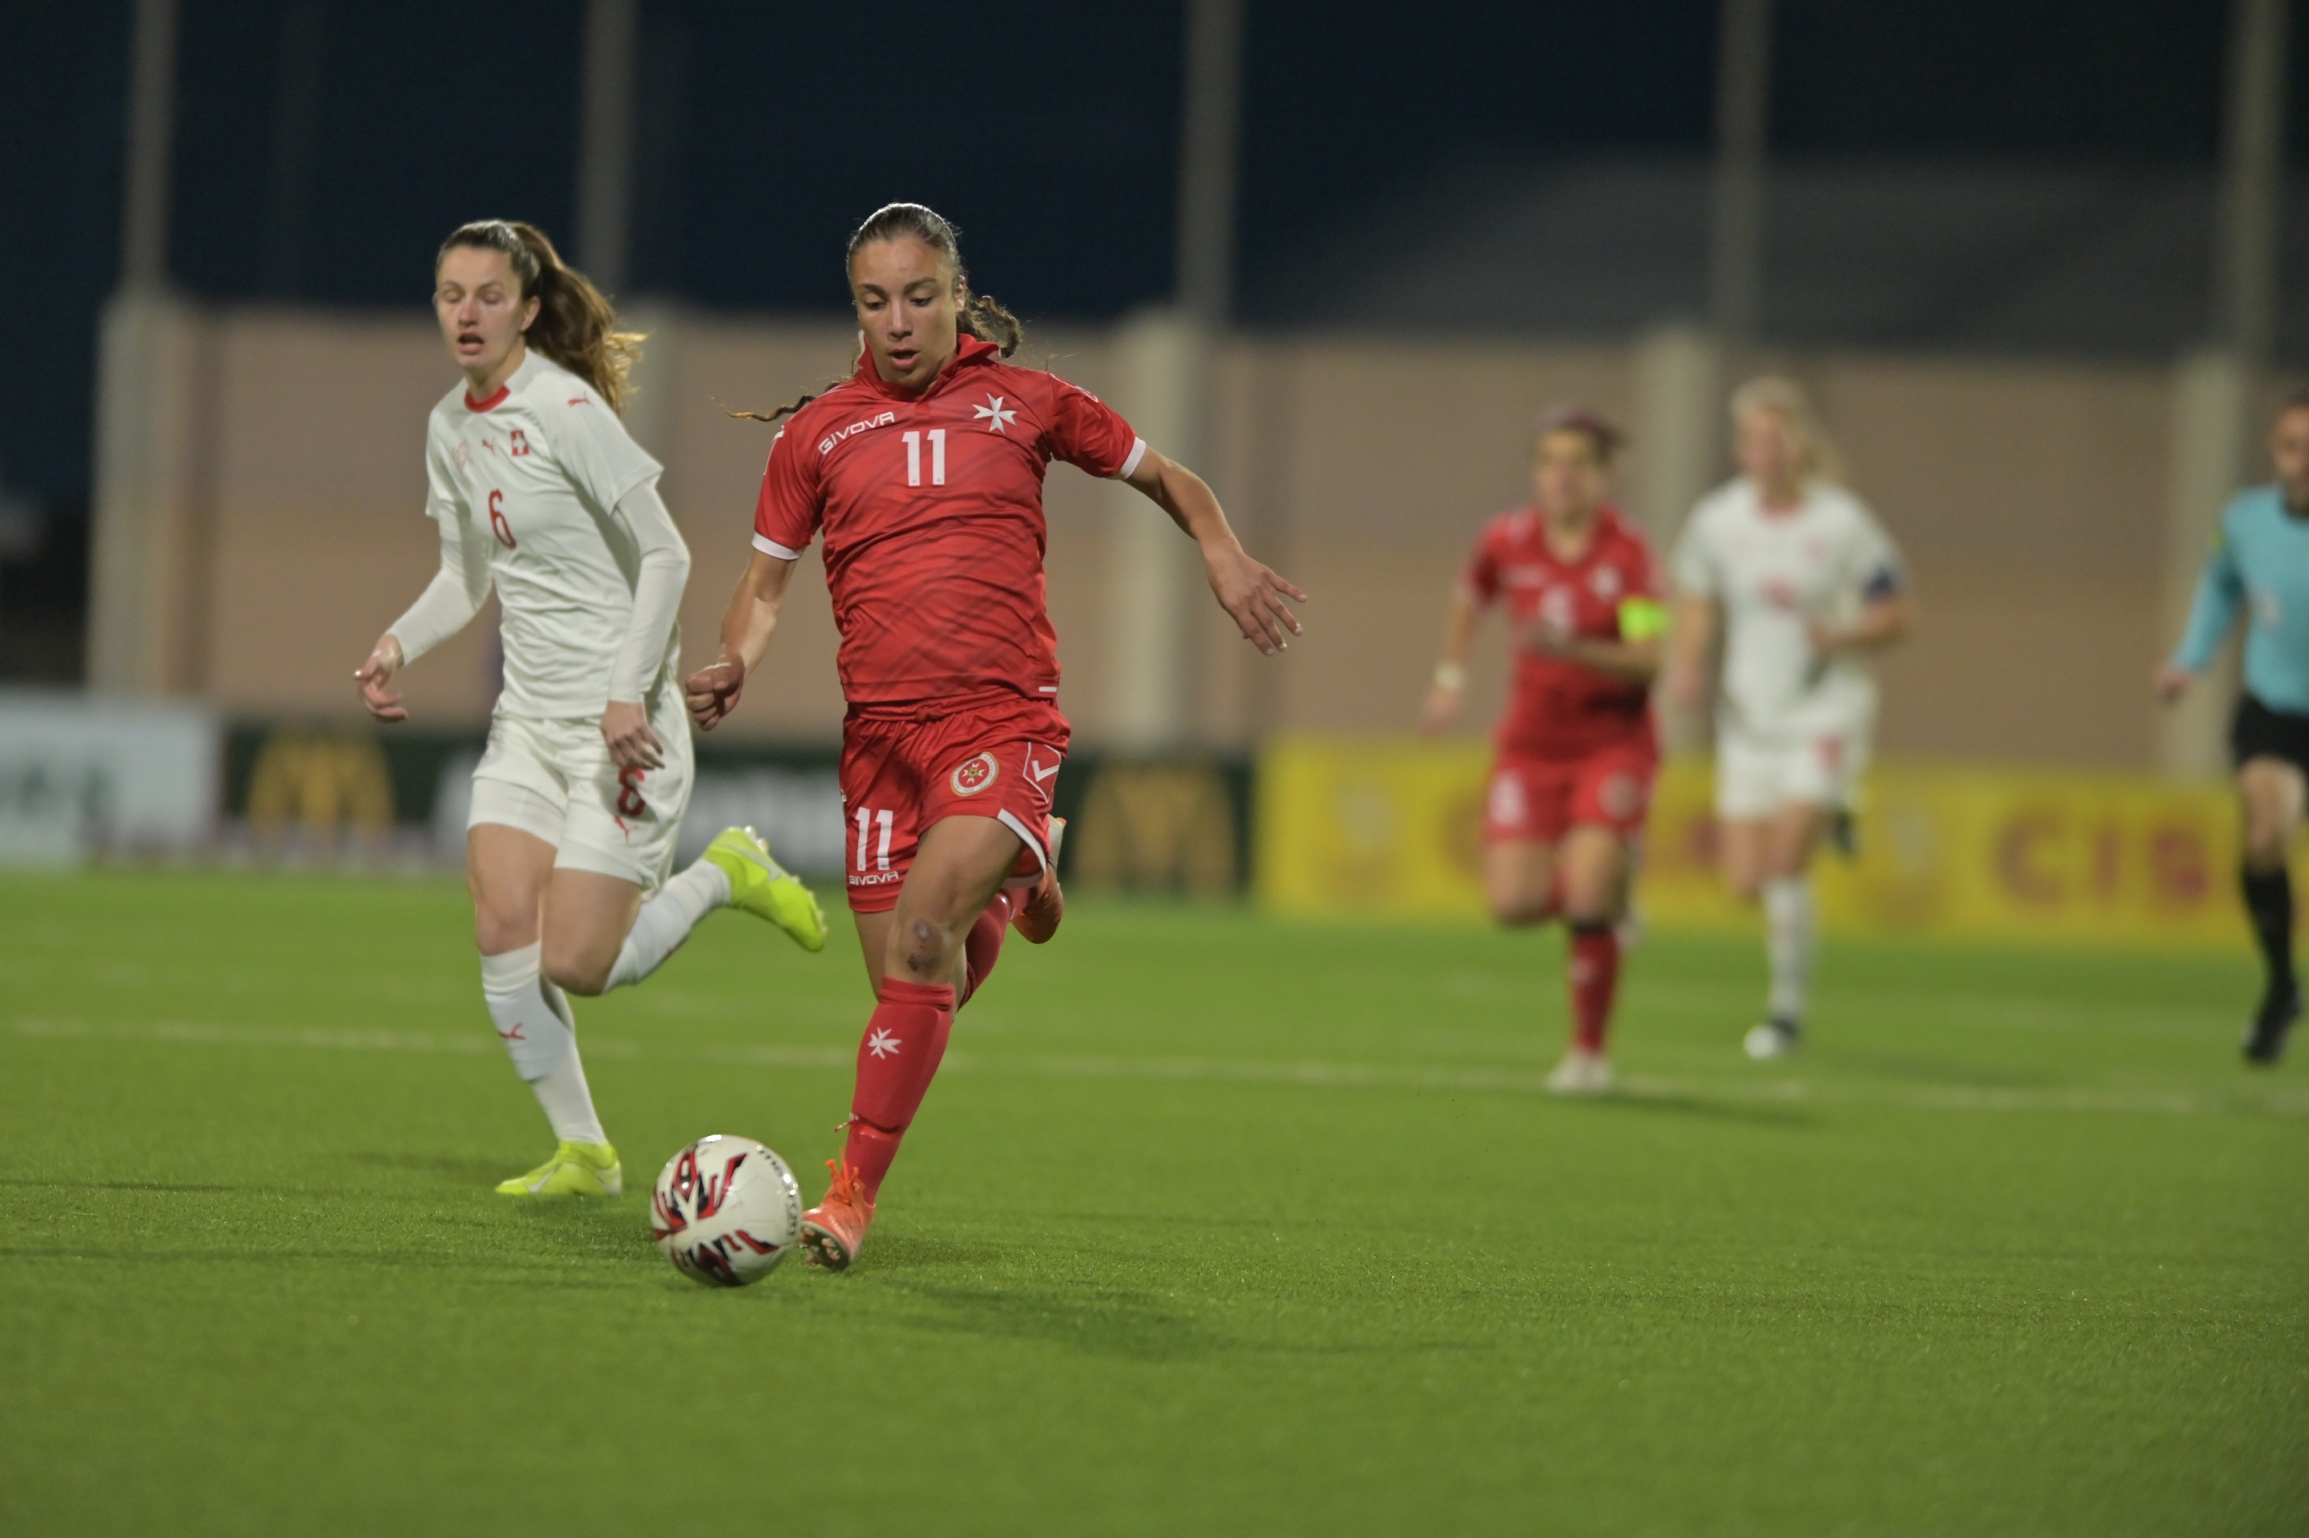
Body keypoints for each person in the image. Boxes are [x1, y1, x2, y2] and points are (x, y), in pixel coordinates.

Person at [687, 202, 1304, 1271]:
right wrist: (735, 654)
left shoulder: (1028, 403)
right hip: (880, 737)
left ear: (957, 295)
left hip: (1000, 718)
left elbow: (1167, 475)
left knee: (925, 933)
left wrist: (1221, 550)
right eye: (875, 301)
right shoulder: (818, 432)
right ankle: (1021, 873)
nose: (898, 320)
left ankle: (846, 1198)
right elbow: (763, 584)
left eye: (918, 296)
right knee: (919, 981)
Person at [354, 219, 828, 1199]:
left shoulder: (565, 408)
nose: (467, 313)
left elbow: (668, 553)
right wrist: (399, 640)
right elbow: (465, 573)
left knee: (578, 962)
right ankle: (587, 1152)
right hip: (527, 721)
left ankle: (725, 872)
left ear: (528, 309)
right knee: (498, 923)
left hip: (625, 723)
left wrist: (626, 690)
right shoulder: (451, 425)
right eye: (451, 294)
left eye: (489, 295)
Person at [1420, 408, 1665, 1093]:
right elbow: (1470, 594)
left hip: (1611, 744)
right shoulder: (1506, 539)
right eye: (1549, 461)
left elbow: (1650, 661)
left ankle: (1587, 1055)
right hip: (1529, 745)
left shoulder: (1629, 555)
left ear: (1601, 475)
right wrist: (1449, 679)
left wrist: (1575, 650)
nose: (1561, 476)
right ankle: (1609, 890)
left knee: (1584, 892)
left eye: (1576, 462)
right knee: (1513, 905)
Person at [1665, 377, 1908, 1060]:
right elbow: (1694, 598)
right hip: (1748, 716)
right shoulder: (1716, 520)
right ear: (1739, 449)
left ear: (1799, 445)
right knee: (1743, 883)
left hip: (1824, 712)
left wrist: (1845, 636)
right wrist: (1685, 661)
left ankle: (1785, 1013)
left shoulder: (1843, 524)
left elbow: (1895, 613)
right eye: (1752, 439)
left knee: (1782, 862)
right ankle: (1834, 817)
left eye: (1776, 438)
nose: (1763, 451)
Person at [2158, 393, 2309, 1065]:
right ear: (2274, 452)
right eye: (2292, 447)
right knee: (2264, 830)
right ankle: (2281, 985)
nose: (2304, 462)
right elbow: (2219, 586)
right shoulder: (2244, 522)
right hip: (2274, 711)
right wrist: (2188, 660)